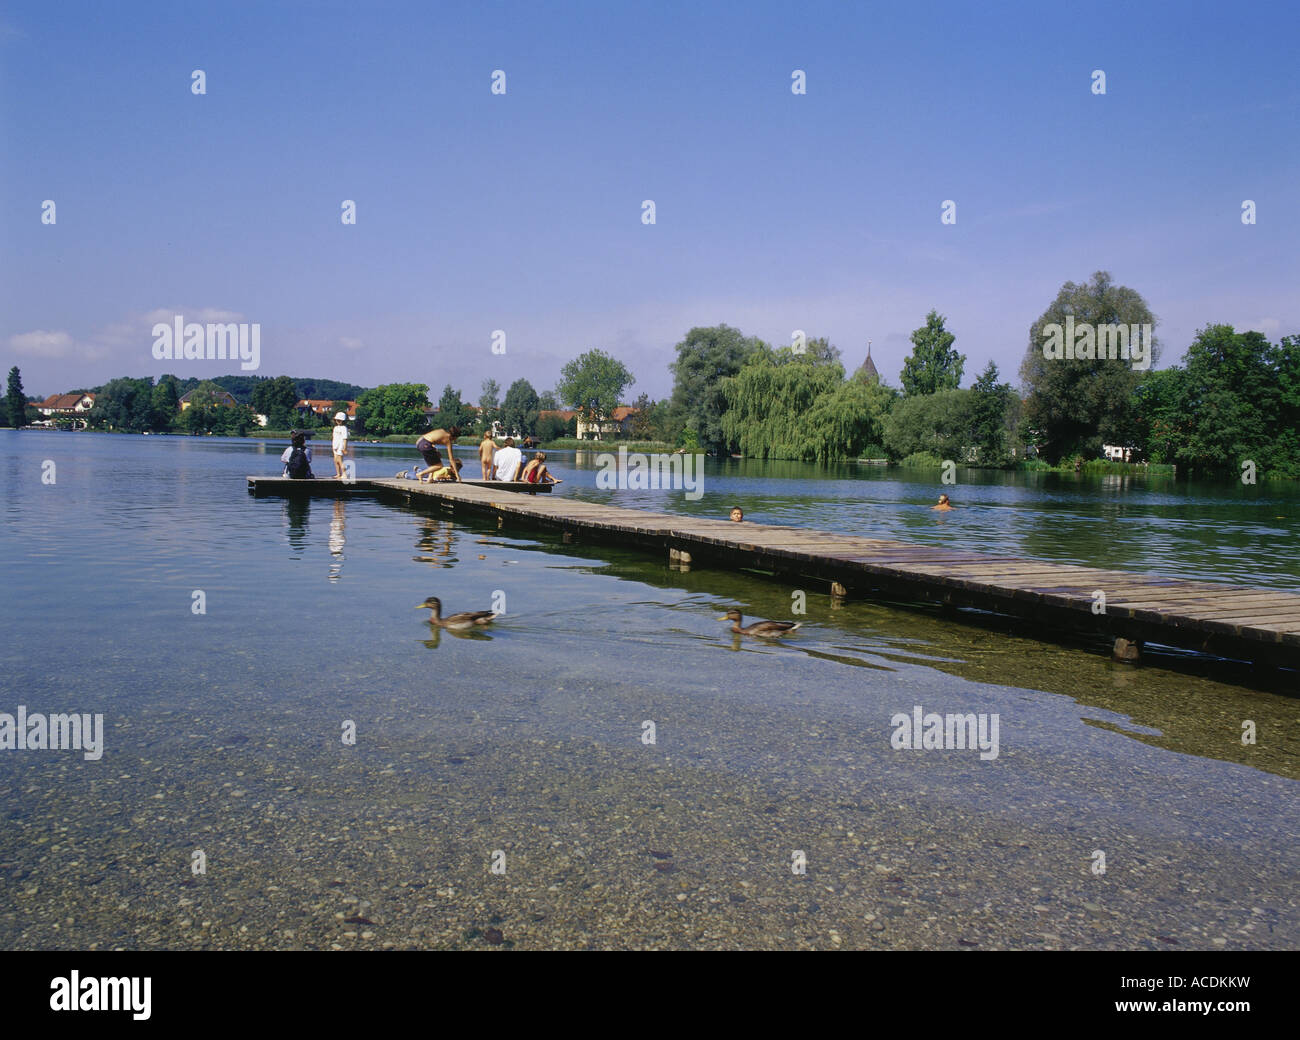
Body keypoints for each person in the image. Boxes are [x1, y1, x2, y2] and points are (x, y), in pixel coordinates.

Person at [331, 412, 349, 479]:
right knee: (335, 460)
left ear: (343, 421)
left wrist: (345, 448)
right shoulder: (335, 428)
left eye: (339, 420)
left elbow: (345, 439)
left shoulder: (344, 428)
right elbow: (334, 437)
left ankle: (344, 474)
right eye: (336, 420)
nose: (337, 421)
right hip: (335, 445)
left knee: (340, 460)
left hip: (340, 446)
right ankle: (338, 474)